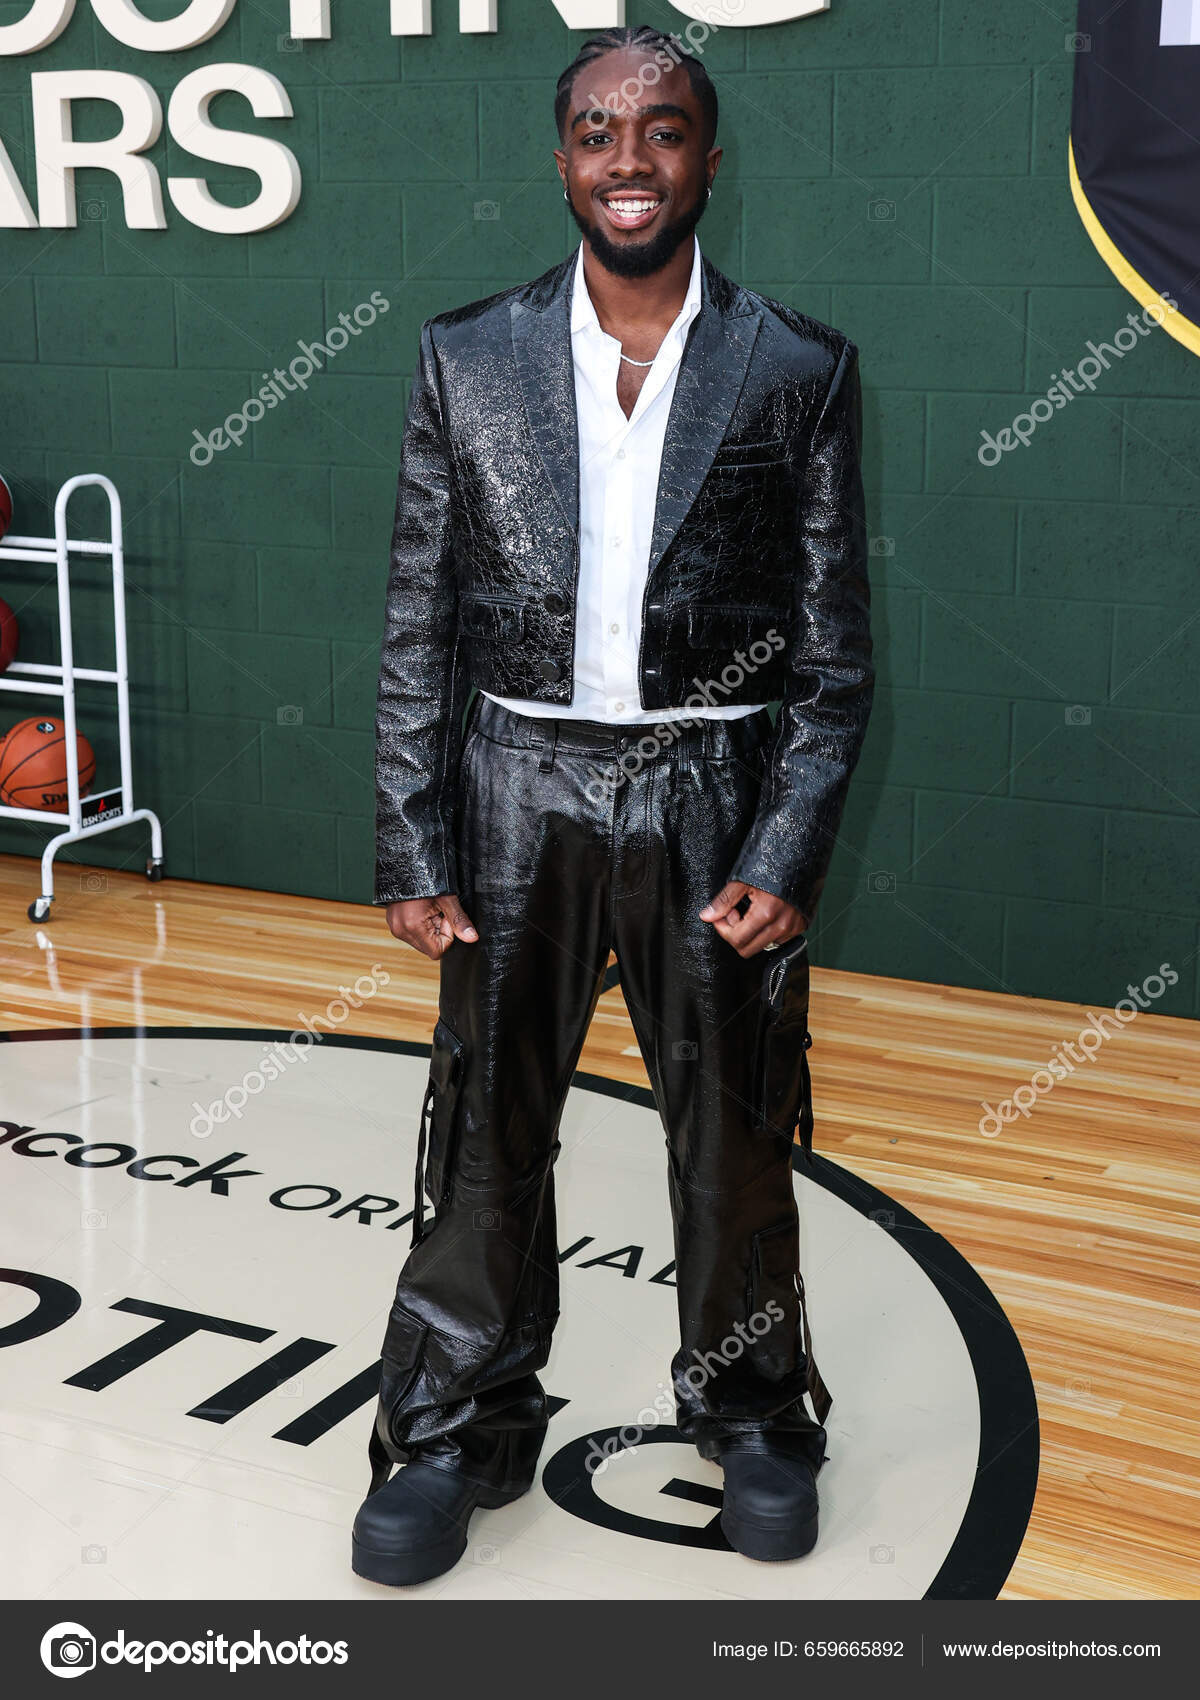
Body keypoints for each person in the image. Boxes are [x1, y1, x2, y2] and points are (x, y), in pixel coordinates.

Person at [351, 24, 874, 1588]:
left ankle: (755, 1412)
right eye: (597, 130)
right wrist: (413, 831)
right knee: (488, 1135)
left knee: (734, 1132)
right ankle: (453, 1428)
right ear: (561, 157)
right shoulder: (465, 352)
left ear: (711, 158)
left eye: (662, 130)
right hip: (516, 786)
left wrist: (788, 840)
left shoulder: (799, 363)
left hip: (713, 785)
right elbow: (415, 620)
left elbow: (838, 655)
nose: (628, 160)